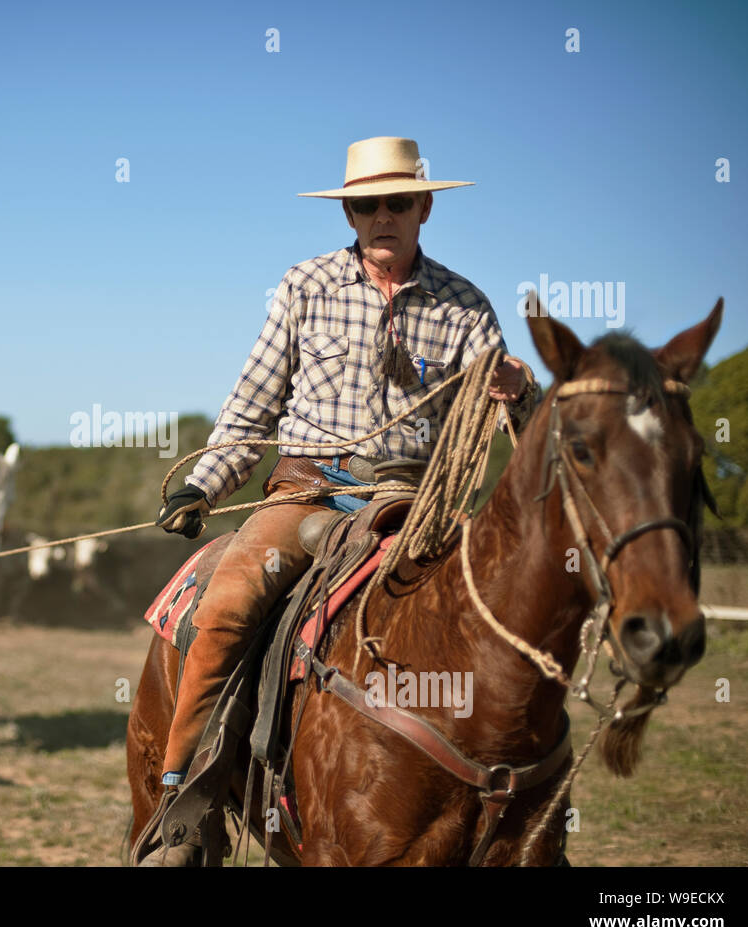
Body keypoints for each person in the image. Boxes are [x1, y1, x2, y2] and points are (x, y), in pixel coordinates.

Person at [146, 137, 539, 865]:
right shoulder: (304, 285)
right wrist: (204, 484)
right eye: (366, 204)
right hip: (309, 492)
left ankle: (526, 811)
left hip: (421, 506)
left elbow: (521, 424)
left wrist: (520, 391)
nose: (382, 216)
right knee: (227, 607)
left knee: (507, 619)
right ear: (350, 214)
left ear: (424, 207)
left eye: (397, 202)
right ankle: (183, 804)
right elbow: (249, 413)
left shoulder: (465, 307)